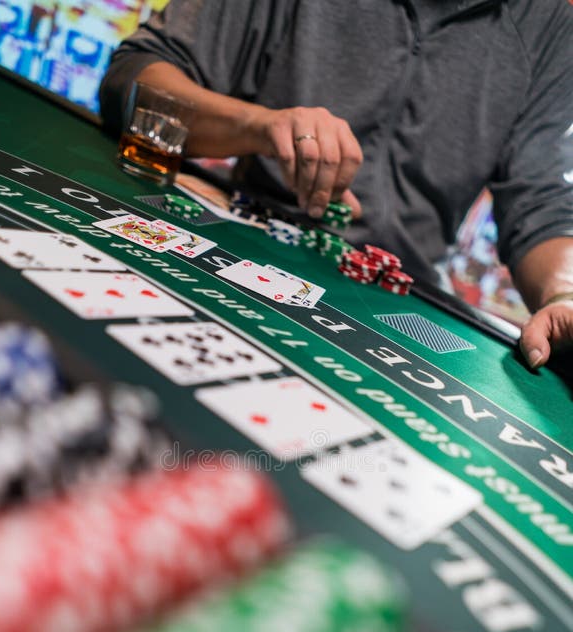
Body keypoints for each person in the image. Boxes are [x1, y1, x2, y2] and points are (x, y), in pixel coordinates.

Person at [99, 0, 573, 370]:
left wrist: (563, 295)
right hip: (243, 253)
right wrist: (260, 128)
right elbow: (128, 87)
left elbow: (543, 208)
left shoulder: (550, 25)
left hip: (408, 310)